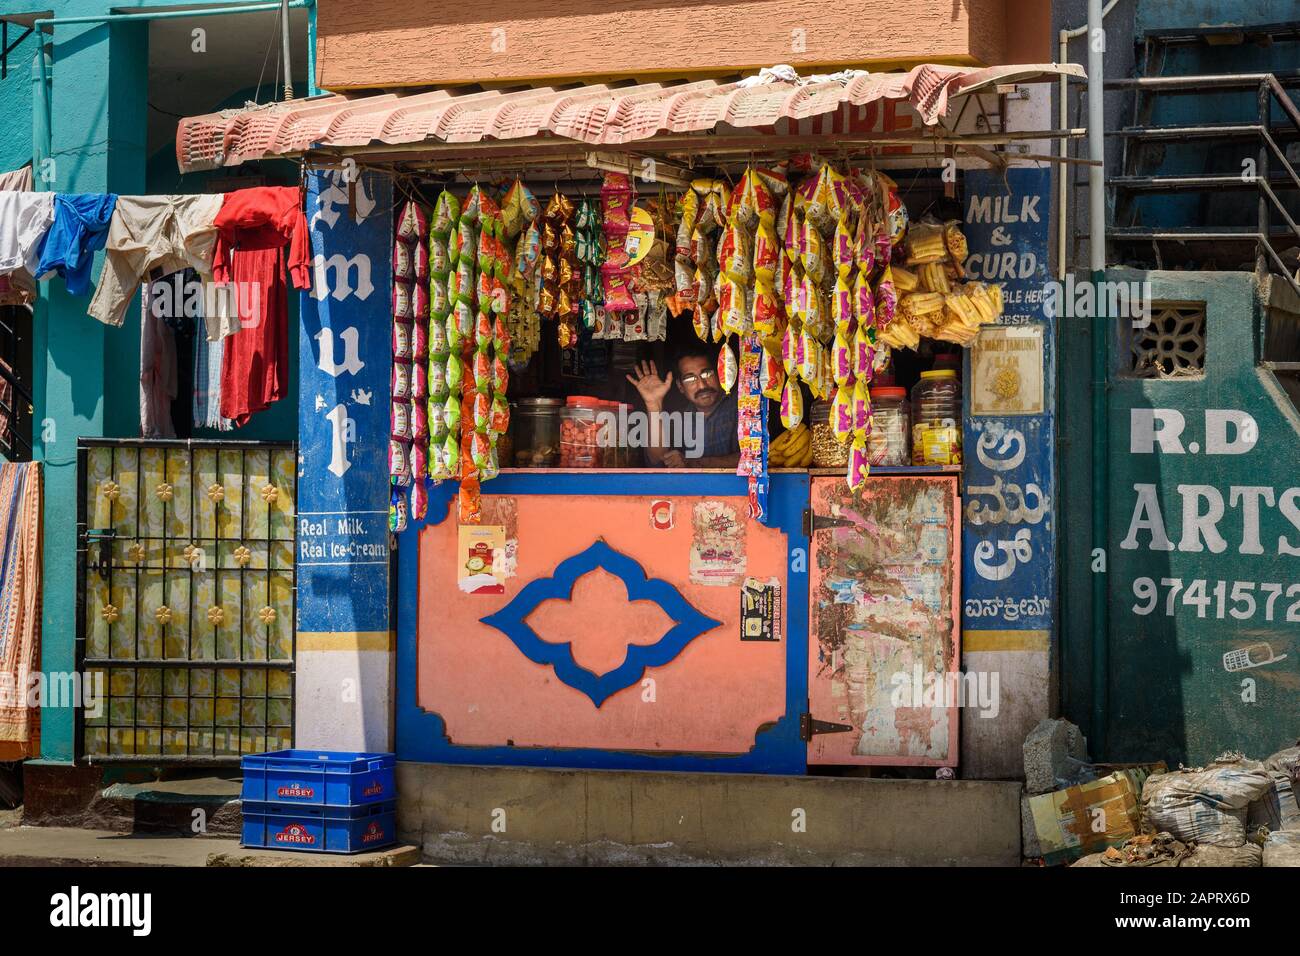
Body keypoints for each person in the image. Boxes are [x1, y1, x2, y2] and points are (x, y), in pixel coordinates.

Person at [626, 343, 740, 468]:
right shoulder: (679, 419)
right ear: (680, 387)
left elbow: (758, 458)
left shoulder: (741, 405)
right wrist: (653, 404)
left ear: (719, 374)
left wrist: (693, 463)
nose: (702, 385)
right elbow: (657, 462)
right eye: (690, 379)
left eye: (707, 374)